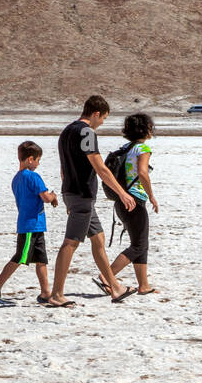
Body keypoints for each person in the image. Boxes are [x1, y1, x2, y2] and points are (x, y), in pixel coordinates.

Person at [47, 95, 137, 307]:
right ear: (96, 114)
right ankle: (56, 294)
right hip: (82, 195)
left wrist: (67, 196)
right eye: (103, 118)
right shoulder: (87, 132)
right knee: (71, 243)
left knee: (98, 239)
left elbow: (63, 168)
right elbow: (100, 168)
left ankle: (114, 287)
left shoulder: (66, 131)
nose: (102, 123)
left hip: (73, 193)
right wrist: (122, 193)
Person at [0, 141, 58, 305]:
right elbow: (45, 197)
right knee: (19, 257)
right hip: (30, 225)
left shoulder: (16, 178)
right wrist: (53, 196)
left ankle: (46, 292)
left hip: (34, 225)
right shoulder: (33, 176)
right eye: (38, 160)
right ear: (31, 159)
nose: (38, 164)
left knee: (41, 259)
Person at [97, 113, 159, 296]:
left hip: (120, 199)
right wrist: (152, 196)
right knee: (139, 245)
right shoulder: (142, 149)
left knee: (140, 243)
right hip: (134, 200)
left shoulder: (125, 148)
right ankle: (107, 275)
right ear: (146, 129)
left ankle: (144, 285)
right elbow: (142, 173)